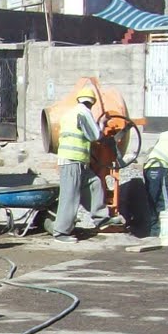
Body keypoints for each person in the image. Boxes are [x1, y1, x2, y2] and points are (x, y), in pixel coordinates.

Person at [51, 86, 104, 243]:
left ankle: (102, 218)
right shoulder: (84, 113)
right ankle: (60, 232)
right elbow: (95, 135)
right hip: (72, 161)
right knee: (70, 196)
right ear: (92, 103)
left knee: (94, 184)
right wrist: (102, 125)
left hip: (78, 161)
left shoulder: (69, 113)